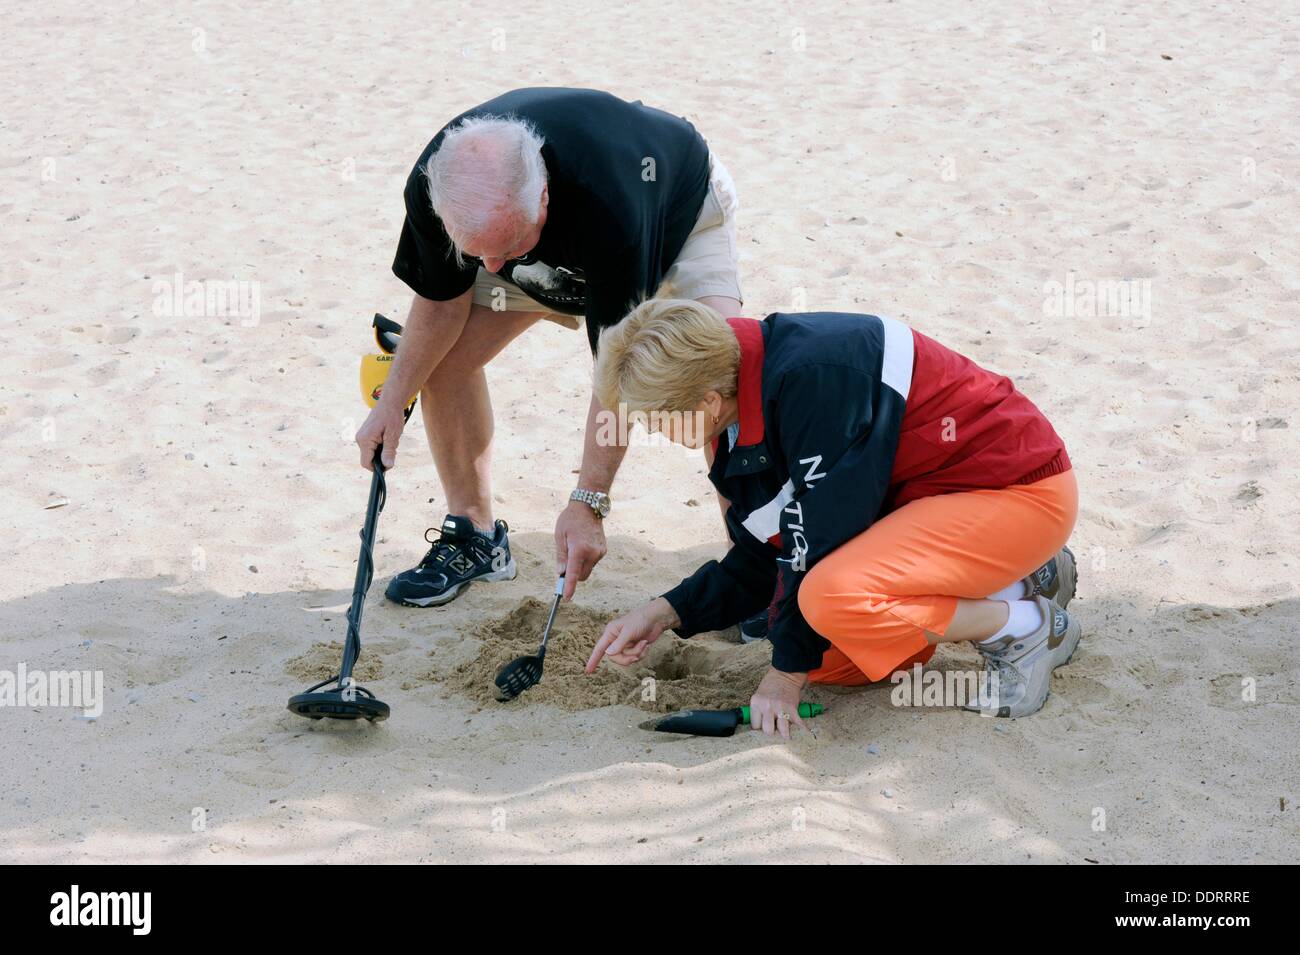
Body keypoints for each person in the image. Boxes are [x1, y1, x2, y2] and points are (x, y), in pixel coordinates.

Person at [584, 299, 1080, 736]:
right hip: (947, 508)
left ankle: (1024, 624)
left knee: (831, 603)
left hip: (1020, 493)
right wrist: (667, 610)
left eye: (652, 418)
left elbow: (820, 543)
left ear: (707, 401)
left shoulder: (813, 381)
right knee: (828, 659)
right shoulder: (735, 400)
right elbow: (768, 552)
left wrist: (783, 679)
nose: (651, 430)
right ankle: (1017, 580)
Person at [355, 88, 742, 607]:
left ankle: (754, 566)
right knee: (442, 366)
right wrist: (390, 404)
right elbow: (442, 302)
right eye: (476, 253)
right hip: (540, 253)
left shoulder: (613, 201)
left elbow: (617, 368)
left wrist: (588, 503)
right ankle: (475, 536)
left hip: (674, 218)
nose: (490, 268)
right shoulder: (446, 185)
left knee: (723, 385)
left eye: (505, 247)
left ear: (542, 198)